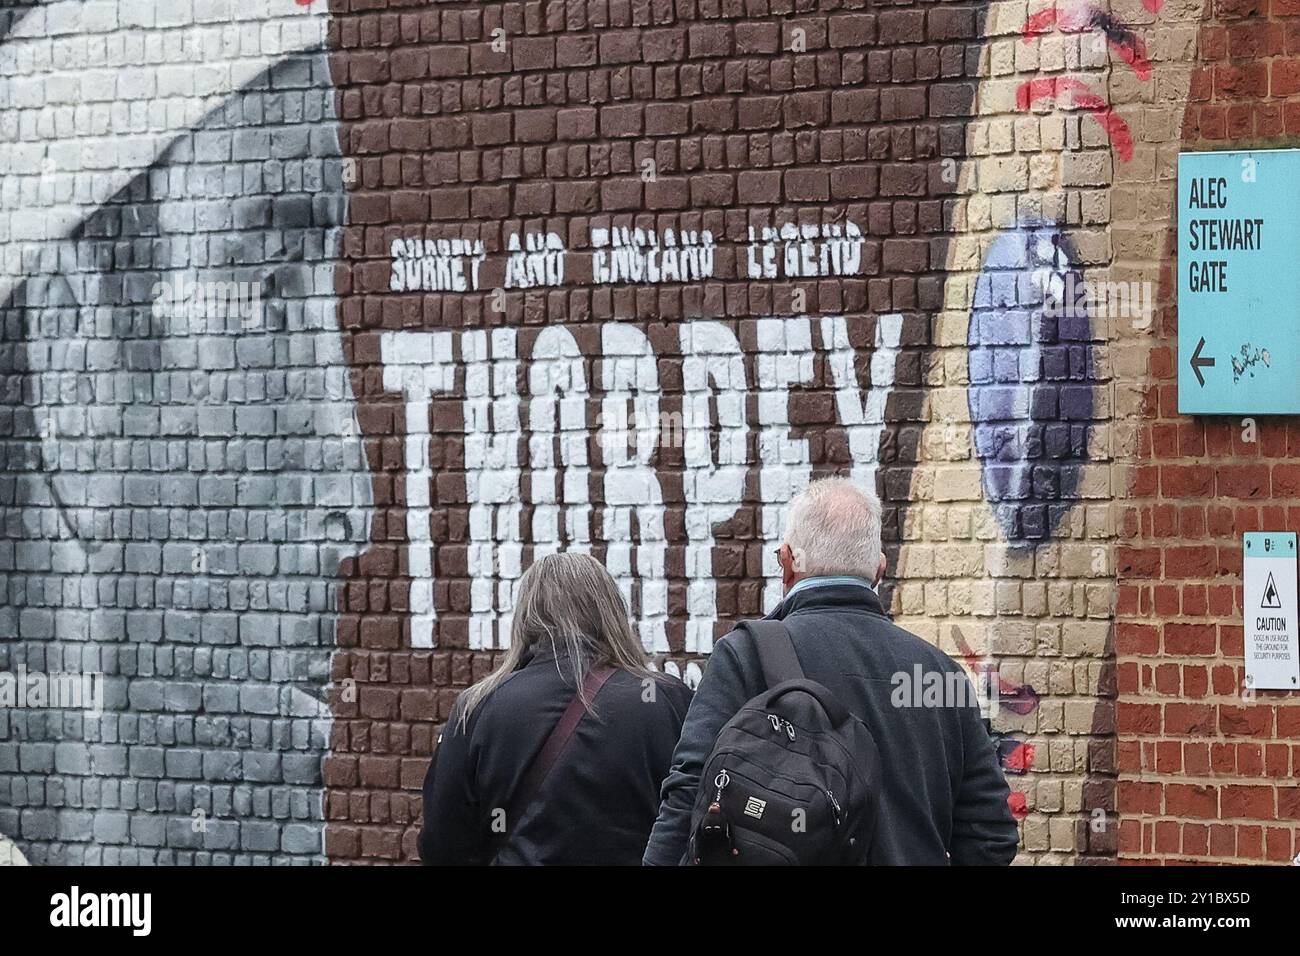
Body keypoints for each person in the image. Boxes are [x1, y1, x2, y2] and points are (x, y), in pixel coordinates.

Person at [644, 477, 1019, 865]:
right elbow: (992, 833)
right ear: (879, 569)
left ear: (787, 562)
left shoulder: (746, 656)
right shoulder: (942, 675)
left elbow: (689, 793)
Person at [419, 551, 693, 865]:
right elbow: (691, 818)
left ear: (526, 617)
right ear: (611, 612)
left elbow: (442, 846)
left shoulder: (478, 707)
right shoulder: (666, 699)